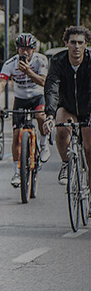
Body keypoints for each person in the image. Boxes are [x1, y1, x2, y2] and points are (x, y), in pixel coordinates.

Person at [0, 33, 50, 187]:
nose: (25, 52)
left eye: (29, 49)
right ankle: (17, 172)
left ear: (34, 49)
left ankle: (43, 145)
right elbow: (0, 84)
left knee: (40, 116)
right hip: (21, 99)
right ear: (17, 49)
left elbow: (44, 82)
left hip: (37, 97)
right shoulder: (11, 63)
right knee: (17, 134)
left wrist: (29, 72)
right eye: (22, 49)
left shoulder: (40, 60)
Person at [41, 25, 91, 186]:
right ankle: (66, 163)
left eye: (80, 42)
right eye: (73, 42)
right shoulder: (57, 61)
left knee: (89, 152)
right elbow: (52, 87)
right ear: (66, 43)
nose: (76, 46)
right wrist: (49, 115)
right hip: (67, 107)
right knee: (61, 130)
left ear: (86, 44)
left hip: (88, 109)